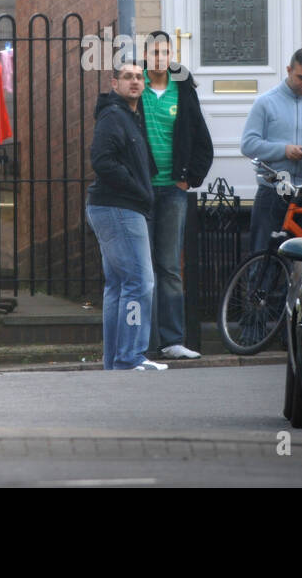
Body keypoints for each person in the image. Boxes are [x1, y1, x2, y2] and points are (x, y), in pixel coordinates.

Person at [86, 58, 167, 371]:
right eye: (127, 77)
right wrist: (139, 190)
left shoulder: (131, 116)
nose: (134, 82)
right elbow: (102, 160)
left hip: (113, 207)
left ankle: (116, 361)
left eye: (138, 77)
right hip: (119, 208)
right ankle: (130, 356)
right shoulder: (113, 116)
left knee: (119, 285)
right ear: (114, 82)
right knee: (138, 282)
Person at [139, 31, 213, 360]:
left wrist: (190, 179)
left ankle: (172, 340)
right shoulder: (133, 84)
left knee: (169, 267)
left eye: (165, 52)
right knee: (141, 269)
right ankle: (141, 342)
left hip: (173, 191)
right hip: (138, 193)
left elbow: (201, 138)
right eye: (154, 52)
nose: (159, 57)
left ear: (171, 56)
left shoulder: (182, 88)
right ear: (145, 55)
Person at [240, 48, 302, 254]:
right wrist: (284, 150)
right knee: (262, 255)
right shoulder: (265, 103)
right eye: (301, 77)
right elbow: (248, 144)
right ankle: (260, 287)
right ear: (288, 70)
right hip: (274, 188)